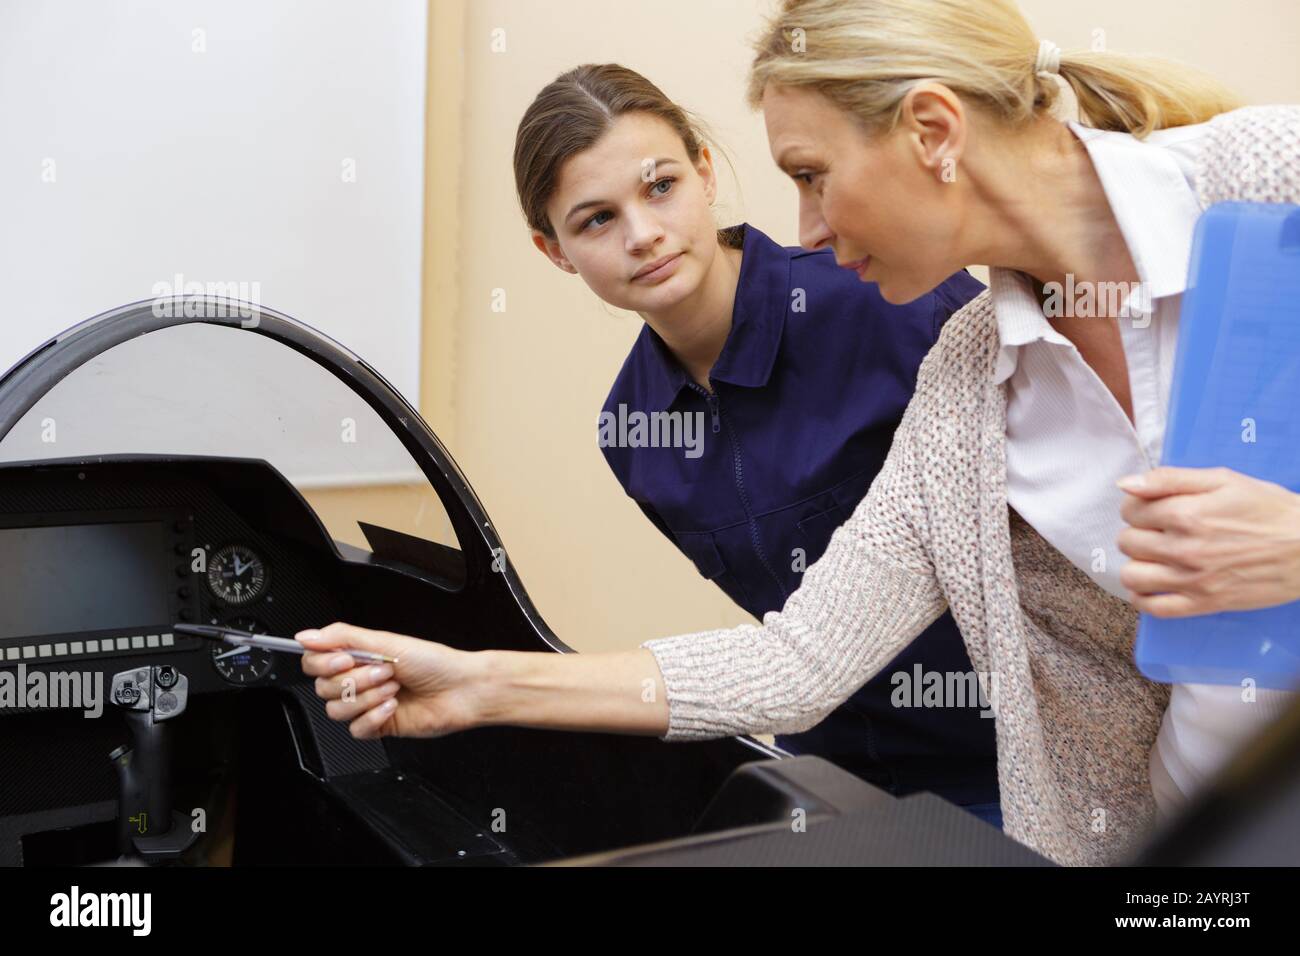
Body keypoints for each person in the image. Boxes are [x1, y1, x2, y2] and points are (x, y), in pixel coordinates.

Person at [298, 0, 1300, 866]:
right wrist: (480, 680)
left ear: (932, 130)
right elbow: (802, 659)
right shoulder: (965, 380)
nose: (806, 228)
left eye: (812, 173)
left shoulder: (1266, 176)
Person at [514, 64, 997, 823]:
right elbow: (784, 645)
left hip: (1002, 767)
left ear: (705, 173)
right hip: (825, 776)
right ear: (556, 252)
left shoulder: (899, 303)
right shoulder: (631, 432)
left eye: (660, 186)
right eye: (596, 220)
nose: (643, 235)